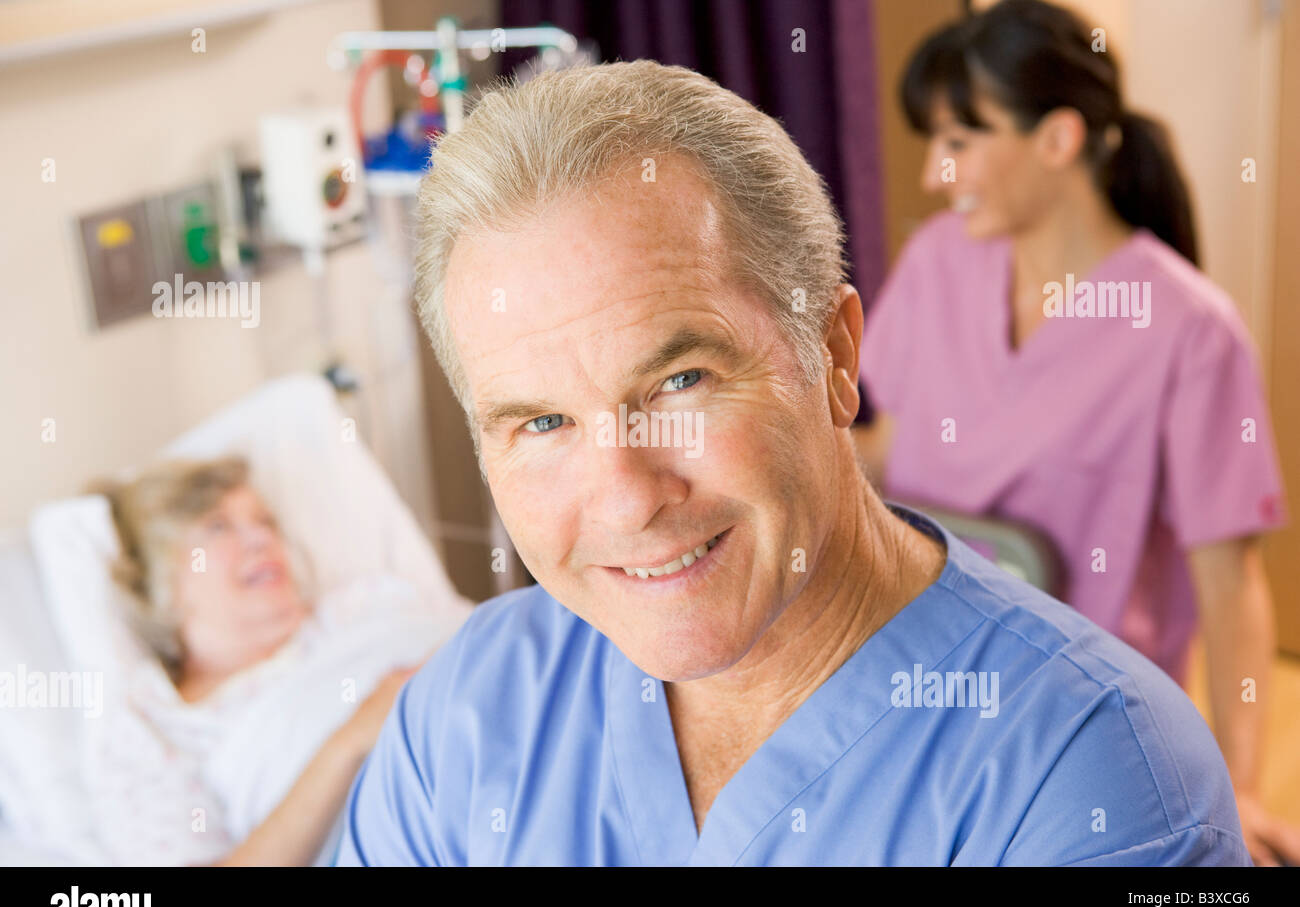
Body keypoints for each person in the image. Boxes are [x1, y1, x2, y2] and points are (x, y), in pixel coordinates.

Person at [337, 59, 1248, 866]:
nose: (626, 498)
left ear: (837, 358)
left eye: (680, 380)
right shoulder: (466, 710)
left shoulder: (1102, 784)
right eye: (540, 423)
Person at [852, 0, 1296, 865]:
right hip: (912, 679)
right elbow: (889, 454)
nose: (939, 174)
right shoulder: (940, 260)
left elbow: (1228, 578)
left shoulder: (1188, 329)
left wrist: (1237, 786)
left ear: (1057, 140)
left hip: (1082, 720)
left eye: (960, 141)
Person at [91, 455, 451, 865]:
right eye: (219, 526)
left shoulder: (363, 602)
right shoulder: (156, 724)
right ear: (158, 576)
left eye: (266, 522)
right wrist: (354, 737)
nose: (261, 539)